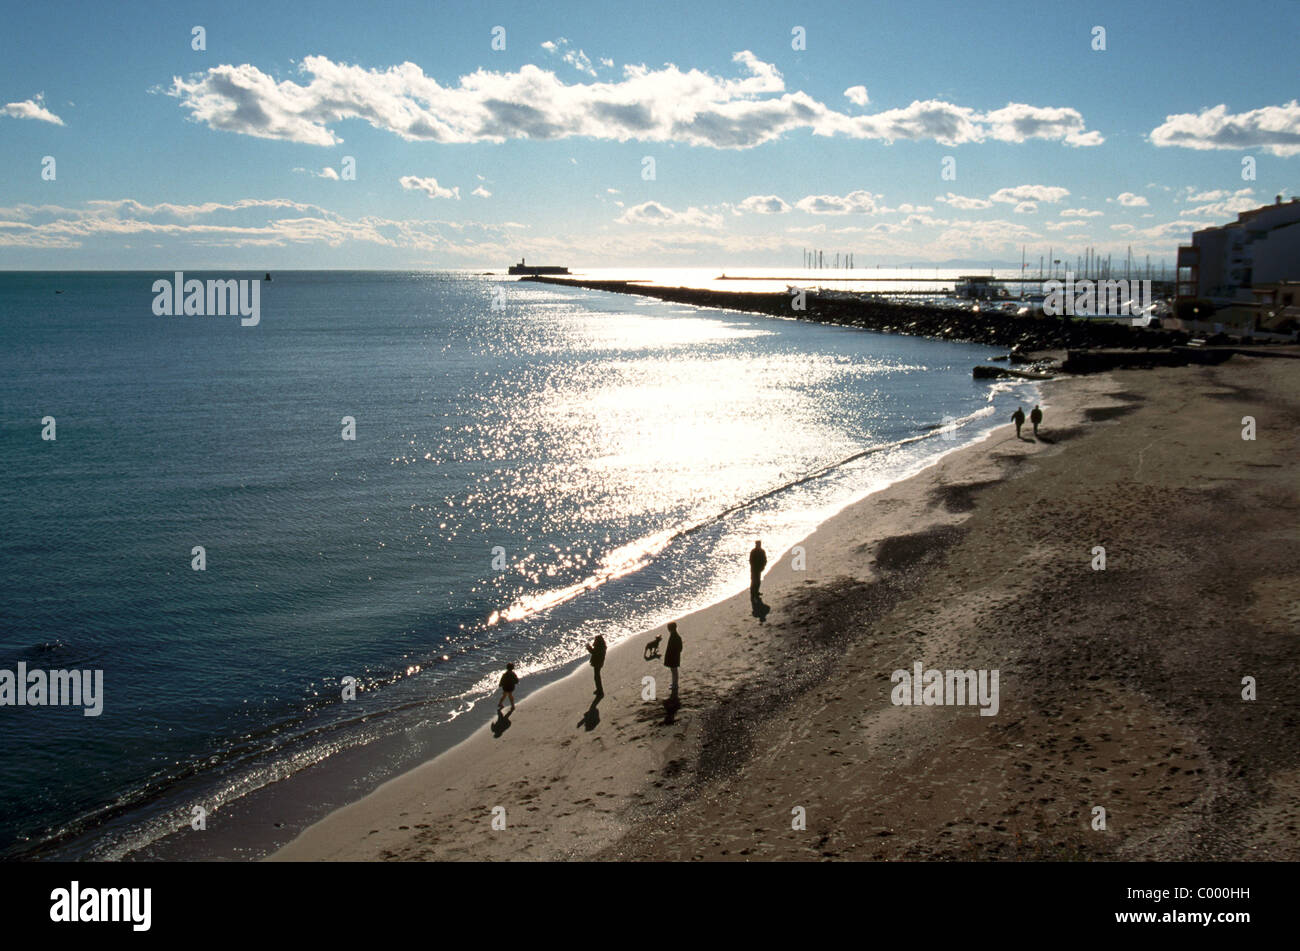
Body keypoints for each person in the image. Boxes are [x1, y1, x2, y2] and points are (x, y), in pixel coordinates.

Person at [663, 622, 683, 701]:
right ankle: (674, 683)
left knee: (674, 670)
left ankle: (675, 684)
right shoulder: (675, 636)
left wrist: (674, 653)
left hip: (673, 656)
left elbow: (678, 648)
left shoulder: (675, 636)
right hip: (674, 656)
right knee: (673, 670)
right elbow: (680, 648)